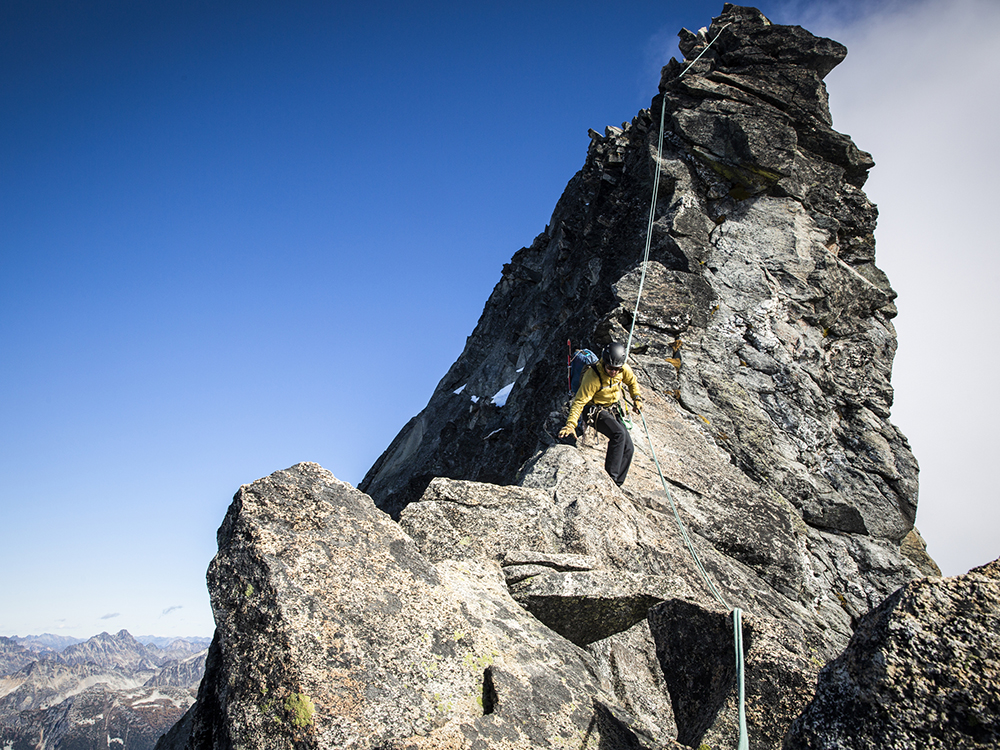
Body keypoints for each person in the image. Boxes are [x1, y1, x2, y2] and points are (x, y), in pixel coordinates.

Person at [558, 342, 643, 486]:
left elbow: (632, 382)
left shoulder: (623, 369)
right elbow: (579, 401)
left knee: (629, 448)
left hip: (612, 409)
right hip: (594, 411)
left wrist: (636, 398)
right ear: (604, 362)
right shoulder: (593, 376)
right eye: (610, 368)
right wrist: (570, 424)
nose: (613, 372)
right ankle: (611, 480)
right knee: (618, 434)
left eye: (616, 369)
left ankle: (617, 484)